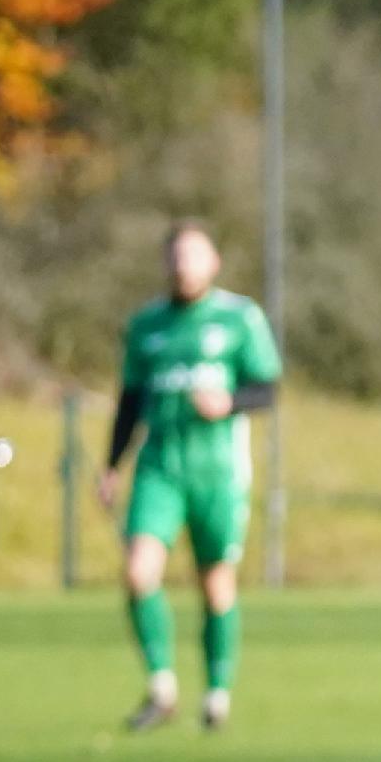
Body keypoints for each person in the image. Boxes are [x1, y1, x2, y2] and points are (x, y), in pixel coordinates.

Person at [99, 221, 279, 734]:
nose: (183, 267)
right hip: (160, 468)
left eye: (192, 257)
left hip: (218, 472)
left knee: (216, 585)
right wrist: (112, 464)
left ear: (213, 262)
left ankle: (217, 695)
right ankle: (162, 688)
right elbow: (129, 402)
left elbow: (267, 389)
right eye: (175, 258)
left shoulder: (239, 318)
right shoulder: (147, 326)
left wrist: (229, 403)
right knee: (138, 573)